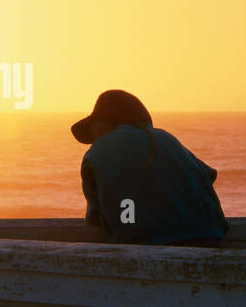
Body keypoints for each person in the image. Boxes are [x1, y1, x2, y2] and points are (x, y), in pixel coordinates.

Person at [71, 89, 228, 245]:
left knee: (127, 219)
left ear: (104, 122)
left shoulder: (98, 152)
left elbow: (95, 218)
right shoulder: (169, 140)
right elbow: (206, 177)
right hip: (213, 239)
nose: (93, 140)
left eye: (94, 131)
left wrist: (129, 218)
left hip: (148, 246)